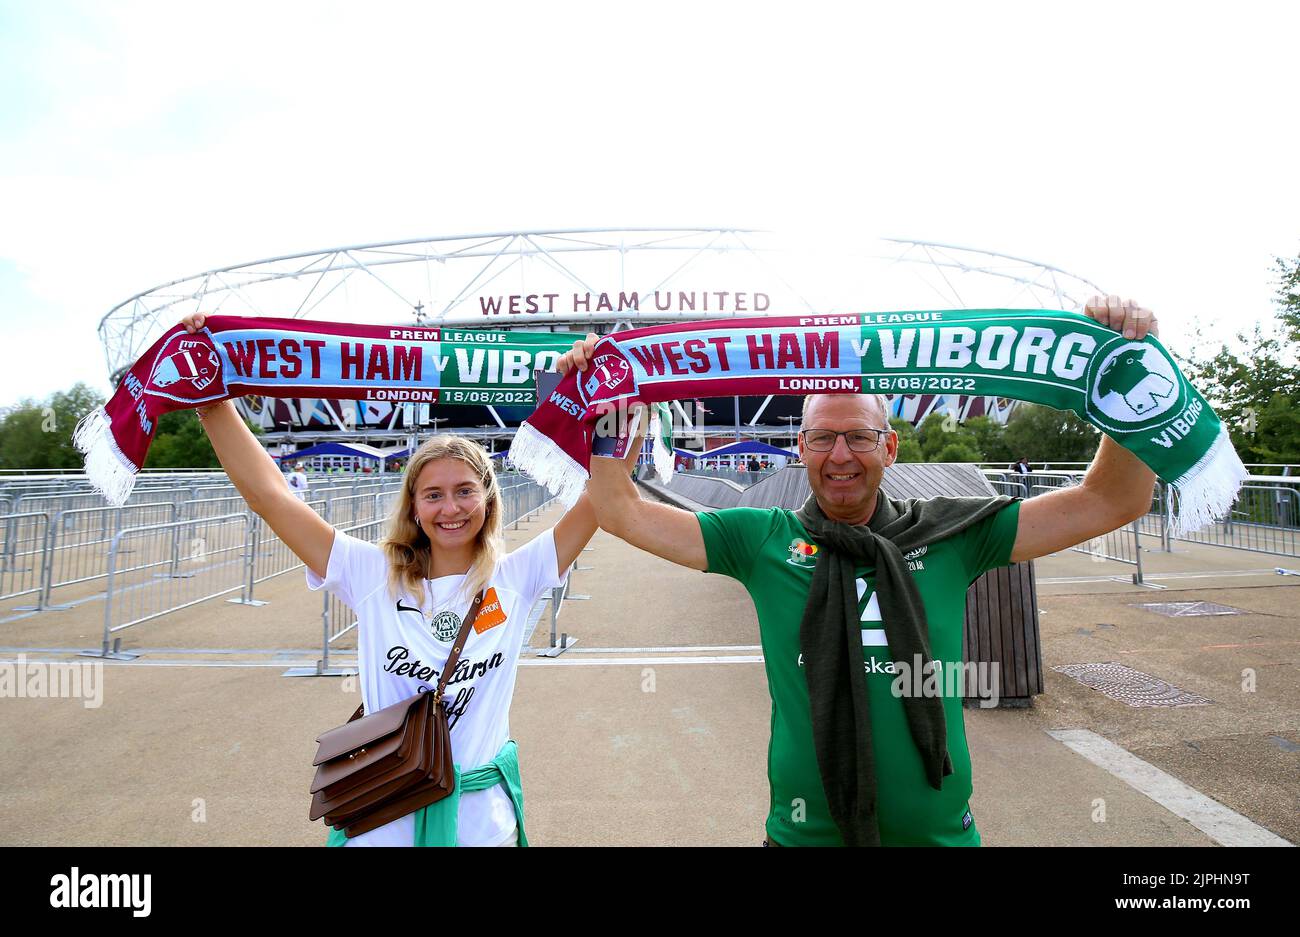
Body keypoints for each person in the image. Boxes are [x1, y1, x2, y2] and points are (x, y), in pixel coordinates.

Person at [564, 295, 1159, 846]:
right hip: (804, 837)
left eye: (858, 437)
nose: (840, 455)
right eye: (822, 438)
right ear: (800, 446)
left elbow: (1113, 500)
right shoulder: (761, 539)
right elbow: (620, 511)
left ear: (891, 447)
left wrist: (1129, 374)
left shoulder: (951, 533)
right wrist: (612, 404)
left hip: (939, 839)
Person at [178, 312, 641, 847]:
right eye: (434, 494)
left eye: (465, 490)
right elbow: (270, 496)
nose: (451, 508)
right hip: (383, 819)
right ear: (414, 507)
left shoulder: (519, 575)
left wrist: (616, 388)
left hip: (481, 826)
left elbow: (605, 492)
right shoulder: (370, 572)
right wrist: (212, 404)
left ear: (488, 500)